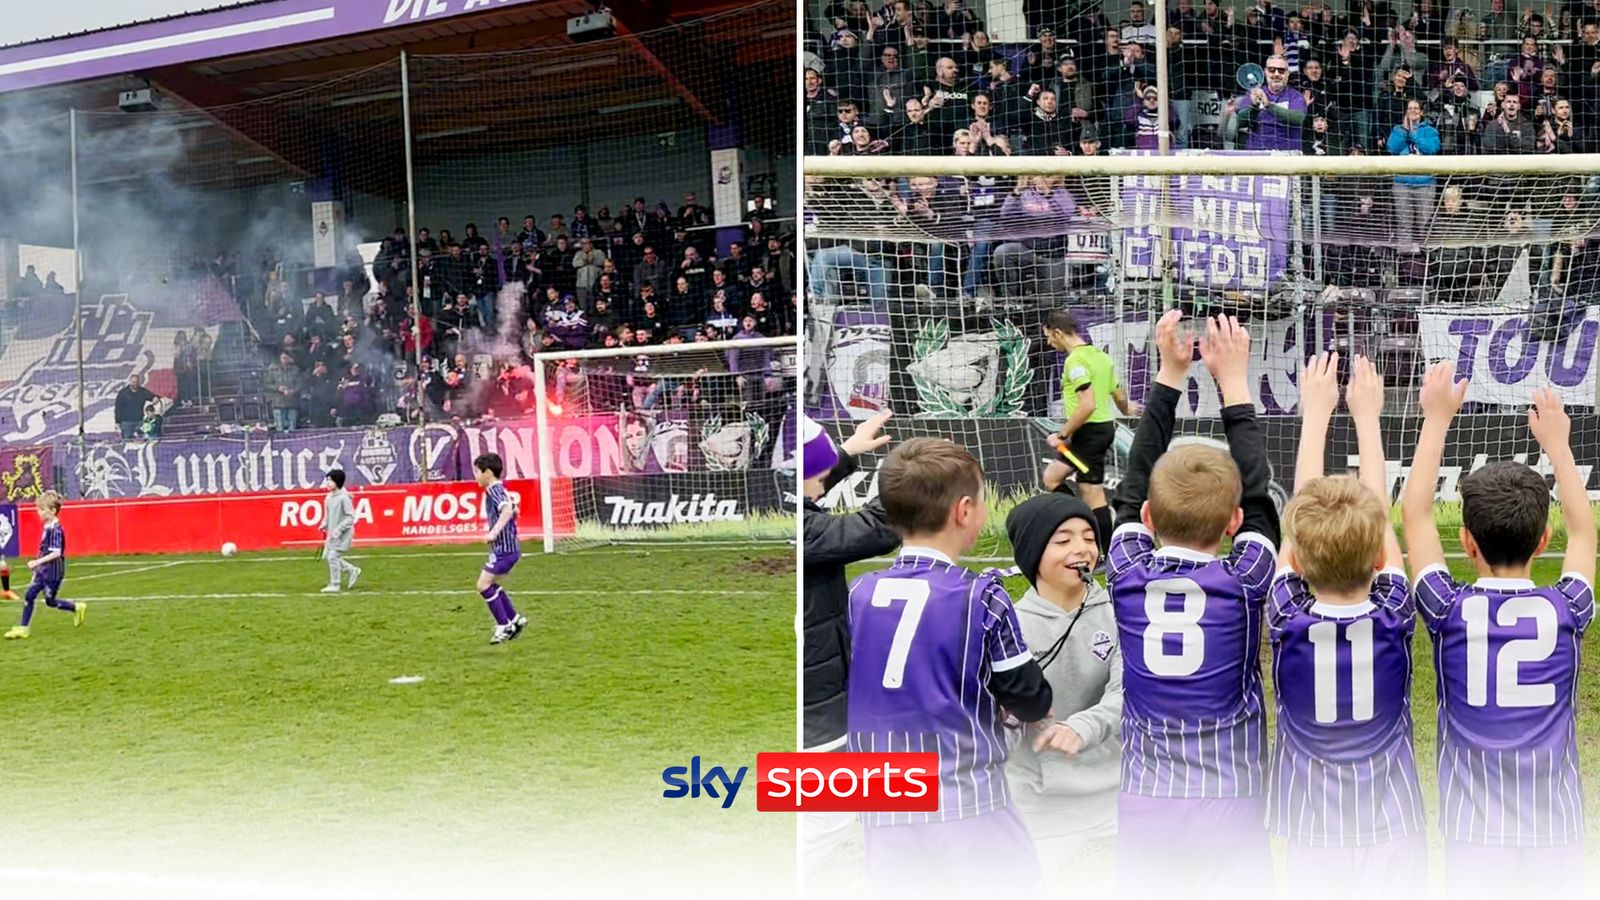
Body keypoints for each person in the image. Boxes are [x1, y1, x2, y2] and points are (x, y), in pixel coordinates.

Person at [1401, 366, 1595, 900]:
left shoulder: (1446, 610)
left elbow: (1414, 516)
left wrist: (1436, 418)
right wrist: (1559, 447)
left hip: (1473, 831)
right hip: (1556, 827)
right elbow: (1585, 530)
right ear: (1543, 541)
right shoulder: (1569, 609)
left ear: (1465, 541)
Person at [1106, 311, 1279, 900]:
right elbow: (1258, 497)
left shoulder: (1127, 569)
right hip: (1230, 792)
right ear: (1234, 526)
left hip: (1146, 793)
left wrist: (1168, 378)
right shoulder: (1248, 578)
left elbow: (1132, 487)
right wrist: (1234, 384)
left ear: (1149, 521)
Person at [846, 437, 1053, 893]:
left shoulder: (860, 593)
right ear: (964, 511)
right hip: (966, 799)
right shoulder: (982, 595)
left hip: (883, 805)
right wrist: (1021, 711)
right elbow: (1028, 696)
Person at [1267, 354, 1426, 898]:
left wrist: (1316, 416)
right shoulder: (1395, 611)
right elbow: (1376, 510)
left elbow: (1299, 524)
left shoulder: (1286, 613)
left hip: (1312, 822)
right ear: (1382, 558)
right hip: (1392, 815)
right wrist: (1367, 417)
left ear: (1301, 563)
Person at [1003, 493, 1122, 867]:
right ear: (1032, 553)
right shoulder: (1009, 627)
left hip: (1116, 794)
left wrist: (1082, 727)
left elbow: (1127, 692)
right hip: (1039, 803)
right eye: (1063, 539)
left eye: (1089, 537)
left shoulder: (1119, 614)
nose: (1081, 548)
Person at [799, 412, 897, 864]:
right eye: (820, 470)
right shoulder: (804, 528)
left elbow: (810, 472)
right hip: (813, 701)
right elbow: (868, 532)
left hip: (818, 690)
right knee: (828, 817)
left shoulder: (800, 502)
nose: (825, 480)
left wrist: (847, 452)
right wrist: (909, 483)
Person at [1042, 310, 1138, 557]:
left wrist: (1061, 435)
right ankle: (1088, 533)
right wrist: (1127, 409)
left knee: (1078, 488)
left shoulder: (1075, 361)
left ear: (1058, 333)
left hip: (1090, 433)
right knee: (1073, 485)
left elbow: (1088, 404)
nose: (1048, 343)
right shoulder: (1101, 357)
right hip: (1099, 431)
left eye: (1048, 337)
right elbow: (1118, 393)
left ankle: (1099, 546)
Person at [5, 492, 83, 640]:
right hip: (43, 570)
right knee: (29, 595)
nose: (38, 512)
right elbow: (44, 549)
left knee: (50, 601)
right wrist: (38, 567)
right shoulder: (48, 526)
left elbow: (56, 553)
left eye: (41, 509)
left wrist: (37, 562)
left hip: (53, 572)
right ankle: (23, 628)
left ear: (52, 510)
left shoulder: (55, 529)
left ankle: (76, 607)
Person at [474, 453, 528, 645]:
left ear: (487, 472)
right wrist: (513, 512)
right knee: (490, 584)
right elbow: (511, 509)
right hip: (508, 548)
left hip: (504, 549)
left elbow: (505, 510)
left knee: (483, 585)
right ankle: (514, 619)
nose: (476, 476)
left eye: (477, 472)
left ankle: (504, 624)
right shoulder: (500, 490)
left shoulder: (494, 490)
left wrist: (494, 532)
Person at [319, 469, 362, 594]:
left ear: (337, 482)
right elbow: (327, 515)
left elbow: (350, 517)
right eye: (327, 480)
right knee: (328, 556)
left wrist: (339, 529)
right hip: (332, 533)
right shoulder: (328, 498)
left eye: (330, 480)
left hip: (343, 534)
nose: (327, 483)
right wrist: (324, 524)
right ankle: (352, 570)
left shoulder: (344, 498)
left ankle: (335, 584)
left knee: (333, 557)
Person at [114, 374, 157, 441]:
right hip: (126, 423)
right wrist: (117, 423)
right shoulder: (123, 393)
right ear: (130, 382)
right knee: (127, 442)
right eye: (133, 382)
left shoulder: (142, 392)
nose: (135, 384)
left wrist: (155, 398)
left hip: (139, 421)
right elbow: (118, 408)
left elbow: (152, 396)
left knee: (141, 441)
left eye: (136, 382)